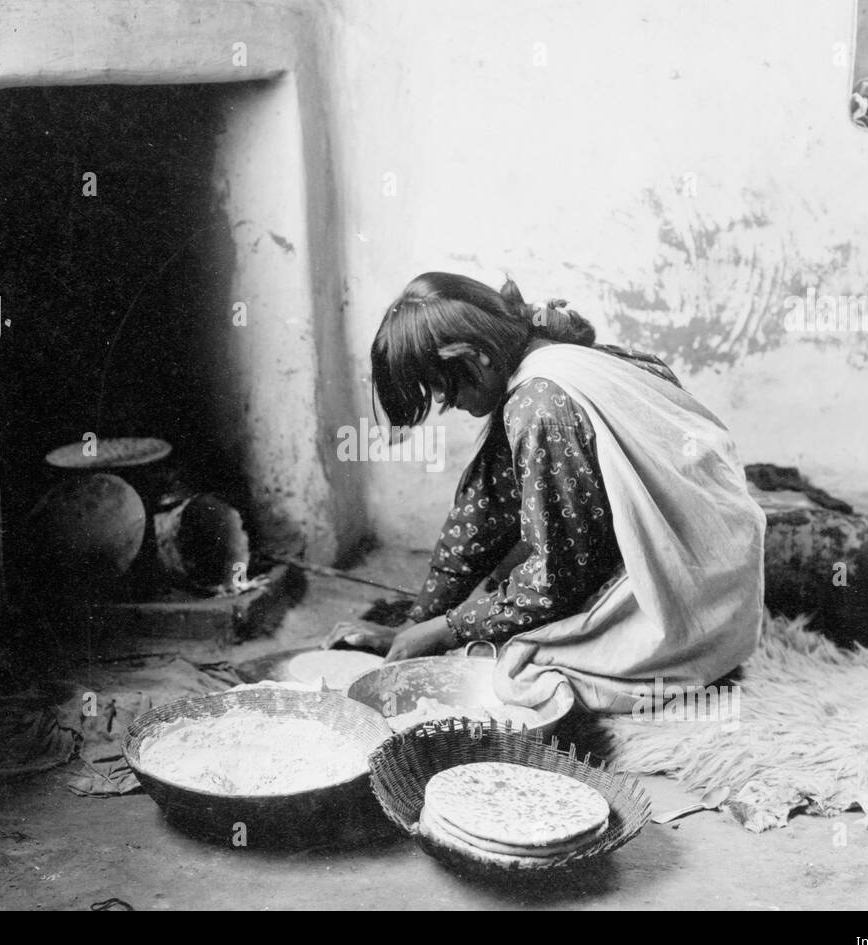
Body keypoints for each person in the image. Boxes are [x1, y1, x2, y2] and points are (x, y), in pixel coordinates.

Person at [326, 271, 766, 715]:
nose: (443, 403)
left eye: (441, 386)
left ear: (475, 356)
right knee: (506, 582)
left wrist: (447, 629)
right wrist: (416, 622)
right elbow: (484, 510)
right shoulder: (542, 360)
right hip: (721, 565)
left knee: (518, 675)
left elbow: (555, 578)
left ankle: (676, 656)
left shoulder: (540, 405)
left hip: (694, 593)